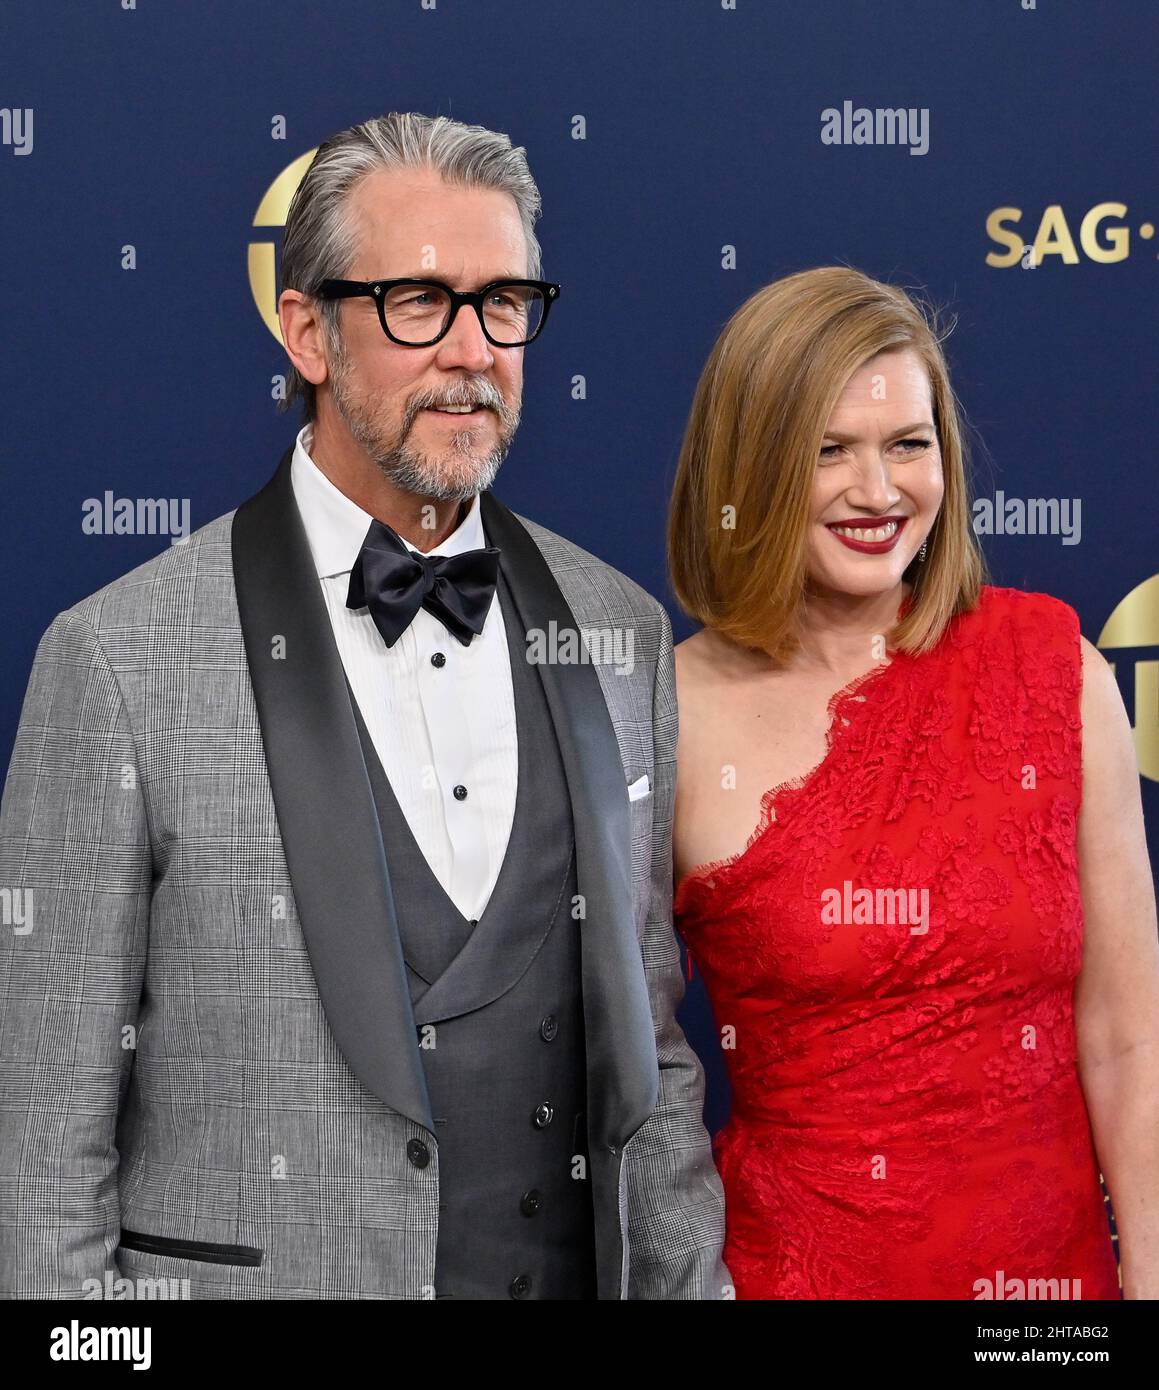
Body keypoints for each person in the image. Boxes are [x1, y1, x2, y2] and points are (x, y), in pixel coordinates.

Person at [0, 111, 728, 1300]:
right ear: (308, 333)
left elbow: (647, 1061)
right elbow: (38, 1152)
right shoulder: (118, 660)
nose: (471, 350)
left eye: (503, 303)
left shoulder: (619, 631)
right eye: (418, 303)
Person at [668, 265, 1159, 1299]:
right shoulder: (664, 715)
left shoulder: (1054, 668)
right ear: (749, 467)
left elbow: (1127, 1037)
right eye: (828, 451)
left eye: (907, 444)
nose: (879, 492)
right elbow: (621, 1074)